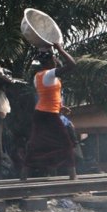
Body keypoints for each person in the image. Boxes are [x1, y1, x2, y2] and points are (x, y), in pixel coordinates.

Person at [21, 42, 78, 180]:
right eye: (53, 59)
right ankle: (73, 178)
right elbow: (72, 65)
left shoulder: (38, 76)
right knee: (66, 143)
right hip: (49, 115)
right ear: (48, 60)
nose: (55, 61)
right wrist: (60, 49)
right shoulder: (49, 74)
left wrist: (60, 107)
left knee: (35, 145)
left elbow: (47, 96)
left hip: (41, 113)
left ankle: (23, 177)